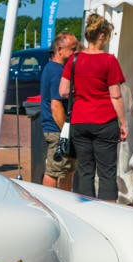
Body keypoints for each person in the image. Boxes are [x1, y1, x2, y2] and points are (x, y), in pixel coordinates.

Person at [59, 14, 127, 201]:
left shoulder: (74, 59)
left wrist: (81, 91)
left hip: (80, 121)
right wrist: (123, 123)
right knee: (107, 172)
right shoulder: (109, 60)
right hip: (105, 121)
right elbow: (115, 95)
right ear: (102, 36)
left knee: (85, 170)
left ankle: (87, 212)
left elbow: (63, 91)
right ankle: (108, 215)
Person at [40, 32, 79, 191]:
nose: (75, 53)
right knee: (55, 171)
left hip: (55, 130)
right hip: (57, 131)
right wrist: (66, 133)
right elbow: (56, 105)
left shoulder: (52, 68)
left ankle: (64, 202)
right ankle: (51, 202)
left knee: (65, 171)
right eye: (72, 49)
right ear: (60, 49)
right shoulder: (57, 71)